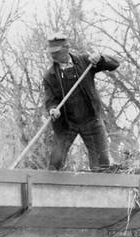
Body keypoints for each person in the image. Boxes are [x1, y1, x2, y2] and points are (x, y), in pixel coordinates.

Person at [43, 34, 120, 172]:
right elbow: (50, 100)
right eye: (51, 52)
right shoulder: (50, 76)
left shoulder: (86, 61)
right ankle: (49, 190)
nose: (53, 56)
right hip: (67, 124)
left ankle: (102, 188)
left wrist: (101, 58)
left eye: (56, 52)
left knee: (101, 164)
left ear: (66, 48)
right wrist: (53, 109)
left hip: (91, 120)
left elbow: (115, 64)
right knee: (55, 163)